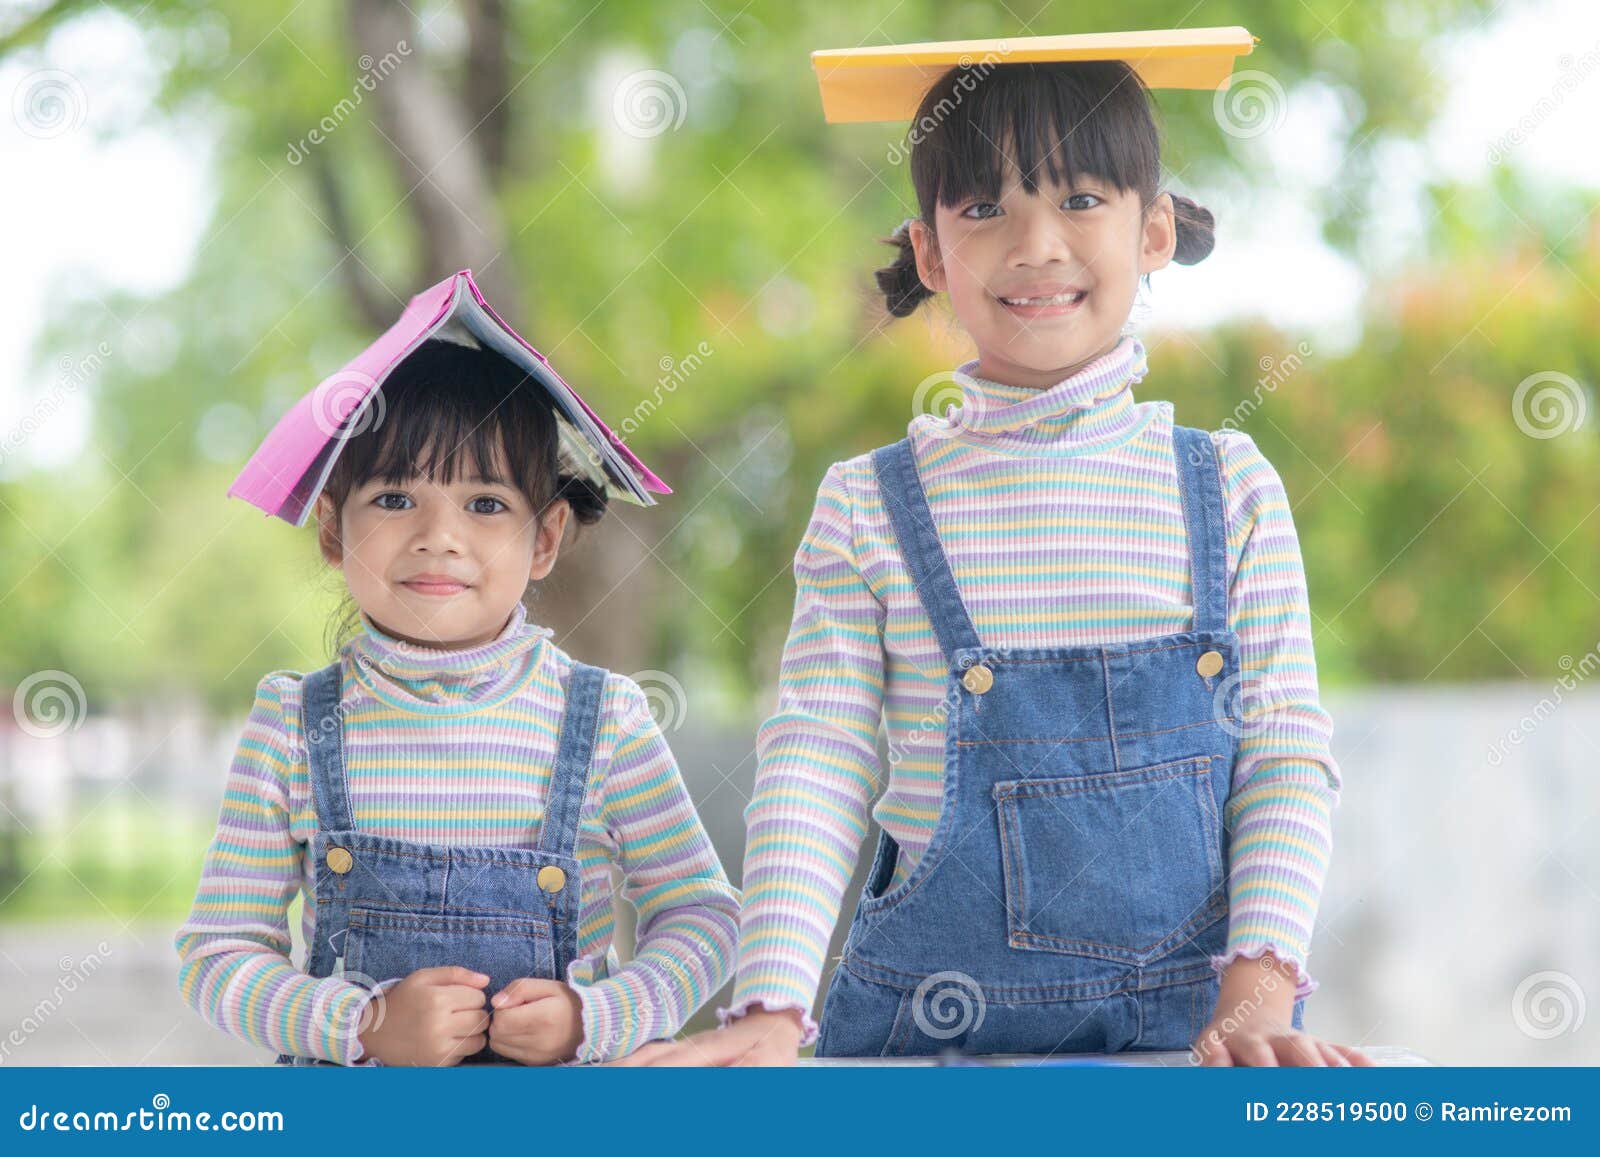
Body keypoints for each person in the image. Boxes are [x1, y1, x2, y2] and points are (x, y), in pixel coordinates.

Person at [625, 45, 1371, 1067]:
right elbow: (817, 760)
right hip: (915, 1052)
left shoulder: (1229, 487)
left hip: (1180, 1047)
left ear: (1151, 230)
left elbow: (1283, 752)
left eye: (1077, 198)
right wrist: (767, 1007)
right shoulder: (868, 505)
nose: (1033, 244)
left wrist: (1259, 989)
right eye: (982, 208)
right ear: (930, 255)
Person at [175, 337, 739, 1066]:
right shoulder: (293, 724)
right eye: (394, 497)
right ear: (332, 529)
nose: (438, 537)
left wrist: (594, 1014)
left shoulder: (606, 719)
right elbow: (217, 955)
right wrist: (362, 1022)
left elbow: (704, 916)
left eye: (484, 502)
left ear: (544, 538)